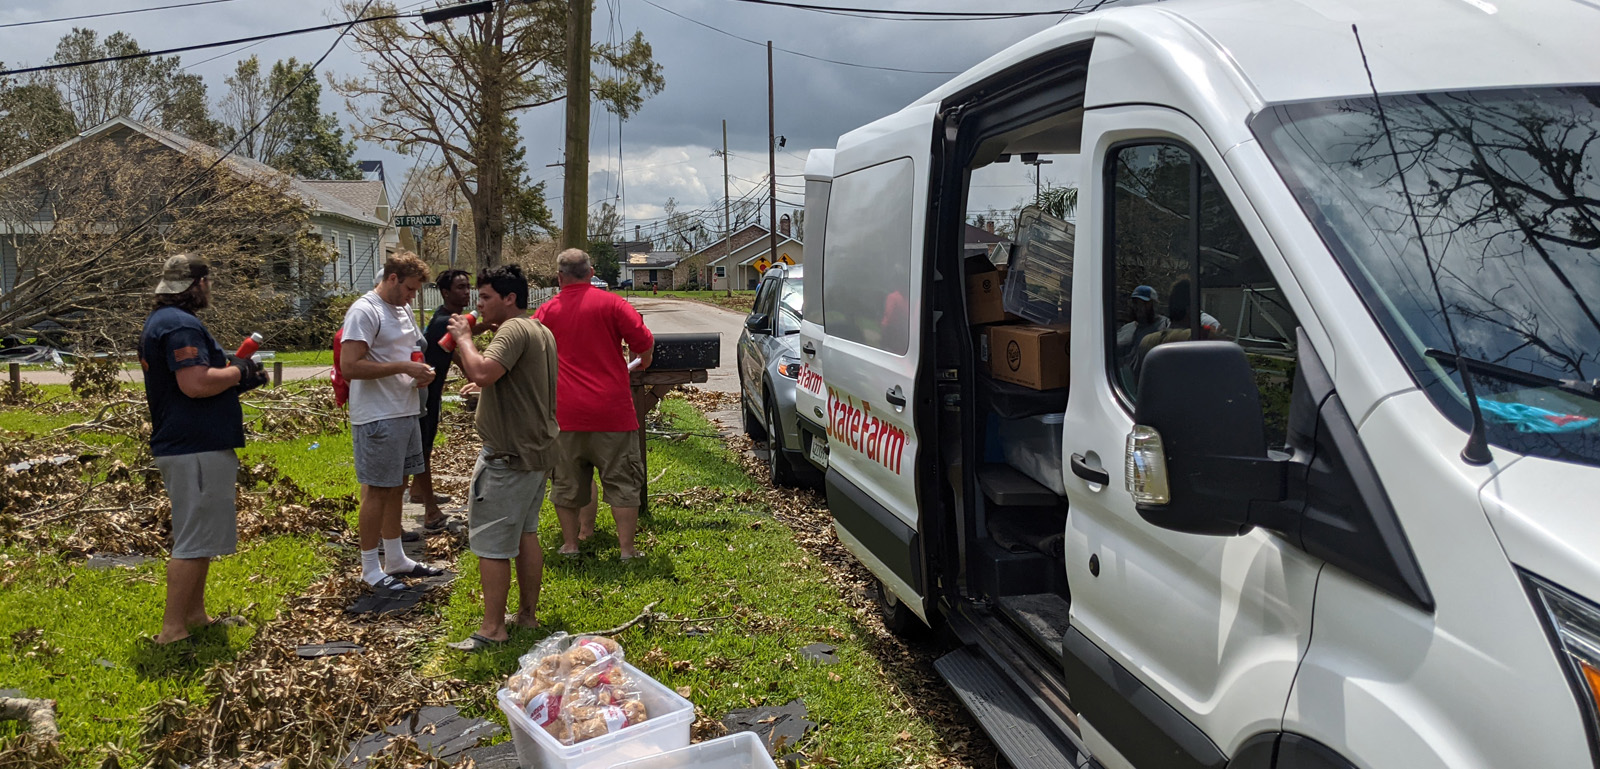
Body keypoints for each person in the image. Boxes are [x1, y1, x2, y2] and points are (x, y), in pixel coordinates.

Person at [139, 254, 269, 644]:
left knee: (200, 537)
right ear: (197, 285)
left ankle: (195, 617)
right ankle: (172, 630)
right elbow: (195, 383)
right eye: (208, 281)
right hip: (192, 445)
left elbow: (198, 384)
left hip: (192, 442)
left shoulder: (164, 321)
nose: (210, 288)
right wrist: (238, 371)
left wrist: (235, 379)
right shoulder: (180, 325)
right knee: (193, 540)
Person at [445, 265, 559, 651]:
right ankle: (526, 615)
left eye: (486, 298)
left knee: (492, 545)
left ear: (510, 299)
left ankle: (493, 628)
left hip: (507, 458)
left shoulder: (511, 330)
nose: (478, 306)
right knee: (526, 533)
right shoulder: (537, 329)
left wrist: (463, 337)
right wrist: (475, 363)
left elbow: (483, 372)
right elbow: (493, 376)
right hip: (536, 451)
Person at [535, 248, 655, 560]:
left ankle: (571, 545)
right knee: (622, 480)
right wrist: (643, 360)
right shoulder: (614, 304)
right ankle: (627, 550)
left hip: (565, 414)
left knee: (567, 483)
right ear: (591, 273)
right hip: (612, 412)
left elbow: (530, 351)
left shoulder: (546, 312)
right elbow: (643, 343)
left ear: (560, 278)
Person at [339, 252, 443, 592]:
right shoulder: (365, 311)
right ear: (393, 278)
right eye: (410, 289)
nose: (413, 296)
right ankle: (370, 567)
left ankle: (396, 557)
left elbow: (408, 351)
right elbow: (350, 366)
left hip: (405, 408)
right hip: (377, 414)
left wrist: (420, 372)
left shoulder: (403, 308)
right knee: (377, 490)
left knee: (397, 485)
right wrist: (402, 368)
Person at [408, 268, 472, 535]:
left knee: (427, 444)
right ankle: (431, 511)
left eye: (468, 286)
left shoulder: (448, 320)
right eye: (460, 287)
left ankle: (417, 492)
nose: (466, 291)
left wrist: (472, 374)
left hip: (432, 393)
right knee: (422, 449)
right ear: (445, 293)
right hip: (423, 393)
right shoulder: (442, 322)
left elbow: (452, 351)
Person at [1116, 285, 1171, 380]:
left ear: (1154, 304)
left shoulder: (1165, 326)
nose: (1139, 307)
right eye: (1136, 302)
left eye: (1145, 303)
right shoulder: (1124, 329)